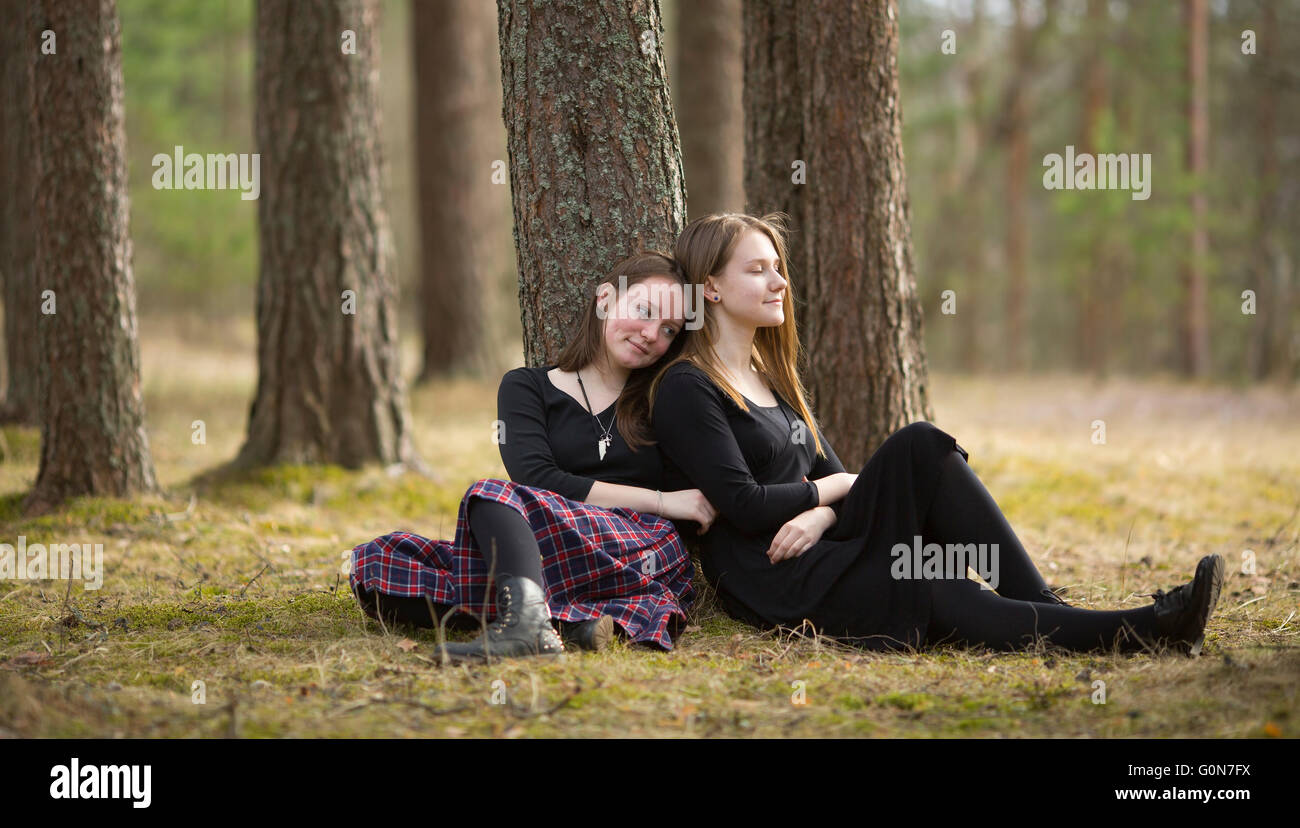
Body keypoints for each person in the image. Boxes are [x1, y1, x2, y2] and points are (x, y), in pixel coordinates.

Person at [649, 213, 1224, 657]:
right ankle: (1150, 630)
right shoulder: (687, 387)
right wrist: (832, 492)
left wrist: (822, 510)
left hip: (821, 542)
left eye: (778, 267)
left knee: (922, 445)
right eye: (758, 270)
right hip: (775, 576)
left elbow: (833, 478)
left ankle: (1048, 604)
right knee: (934, 582)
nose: (779, 282)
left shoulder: (770, 375)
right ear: (712, 289)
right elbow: (744, 506)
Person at [350, 251, 718, 662]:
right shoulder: (527, 386)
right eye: (644, 311)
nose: (652, 334)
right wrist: (664, 500)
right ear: (605, 299)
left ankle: (527, 626)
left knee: (489, 494)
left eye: (668, 328)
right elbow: (536, 478)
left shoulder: (663, 396)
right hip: (543, 544)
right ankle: (563, 625)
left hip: (634, 545)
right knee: (378, 561)